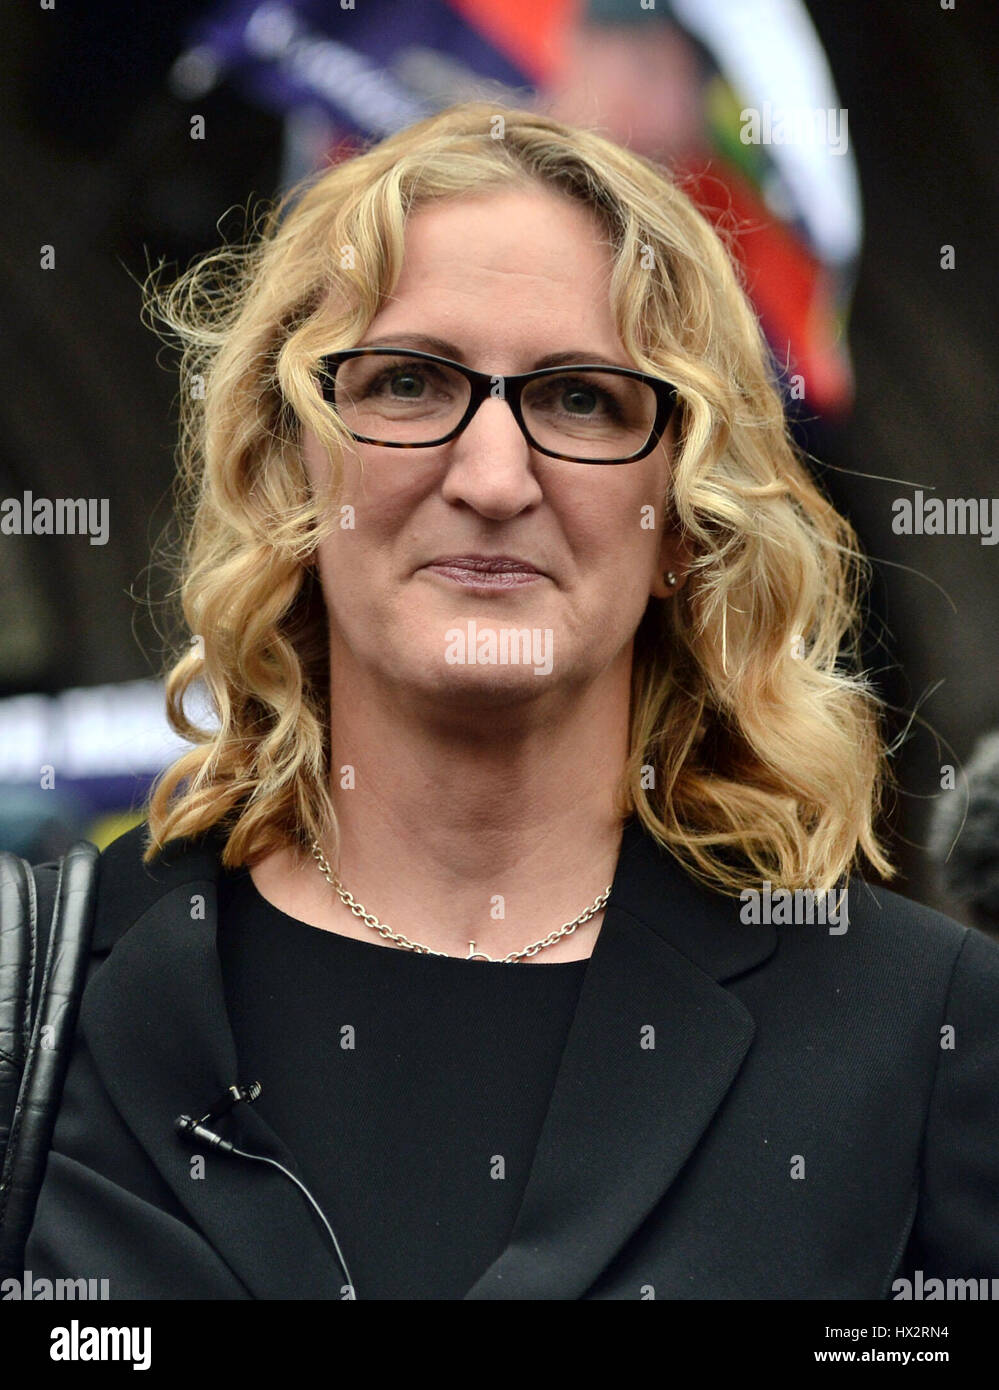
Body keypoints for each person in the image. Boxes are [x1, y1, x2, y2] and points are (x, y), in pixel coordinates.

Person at [22, 102, 999, 1300]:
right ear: (293, 470)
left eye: (582, 399)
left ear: (686, 513)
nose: (492, 478)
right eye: (408, 384)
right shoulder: (37, 1005)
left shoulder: (923, 1032)